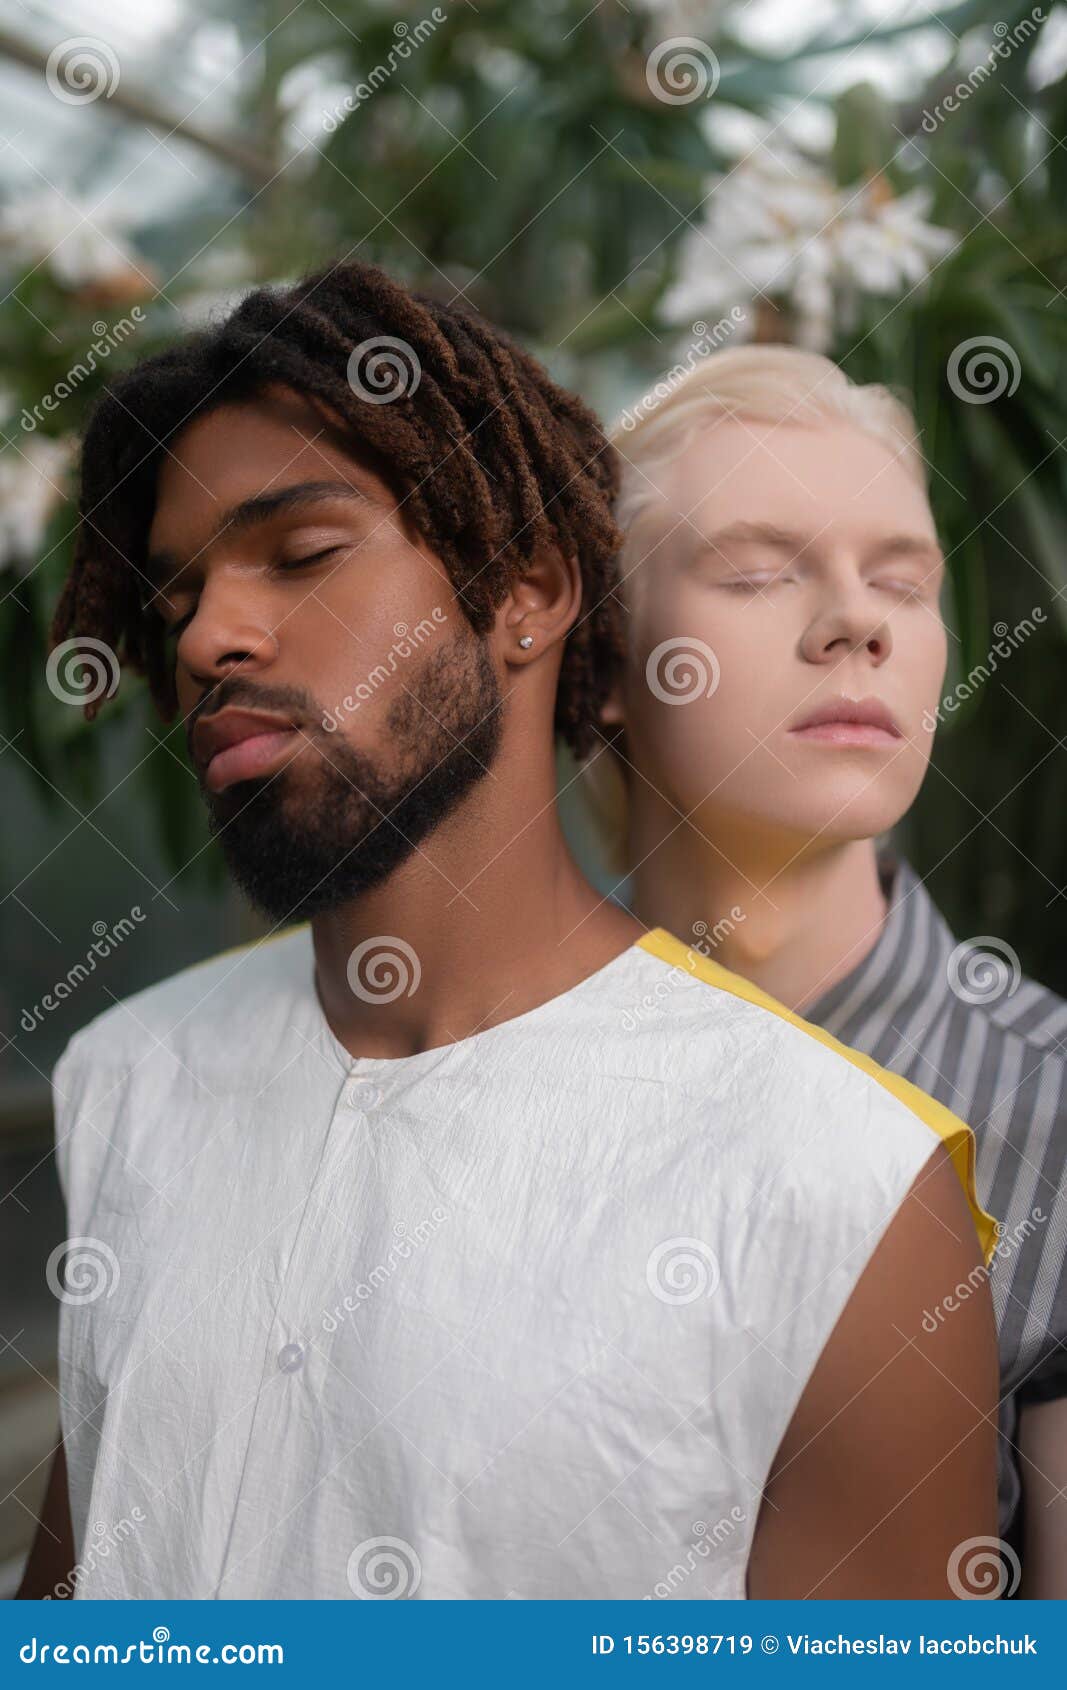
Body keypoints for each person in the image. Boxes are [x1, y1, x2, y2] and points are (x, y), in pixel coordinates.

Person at [20, 263, 997, 1601]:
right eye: (179, 594)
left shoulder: (845, 1190)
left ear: (524, 593)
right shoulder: (123, 1078)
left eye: (299, 553)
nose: (209, 638)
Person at [584, 342, 1066, 1597]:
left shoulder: (1049, 1109)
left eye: (902, 583)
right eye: (752, 571)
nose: (855, 620)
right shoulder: (471, 1063)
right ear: (604, 665)